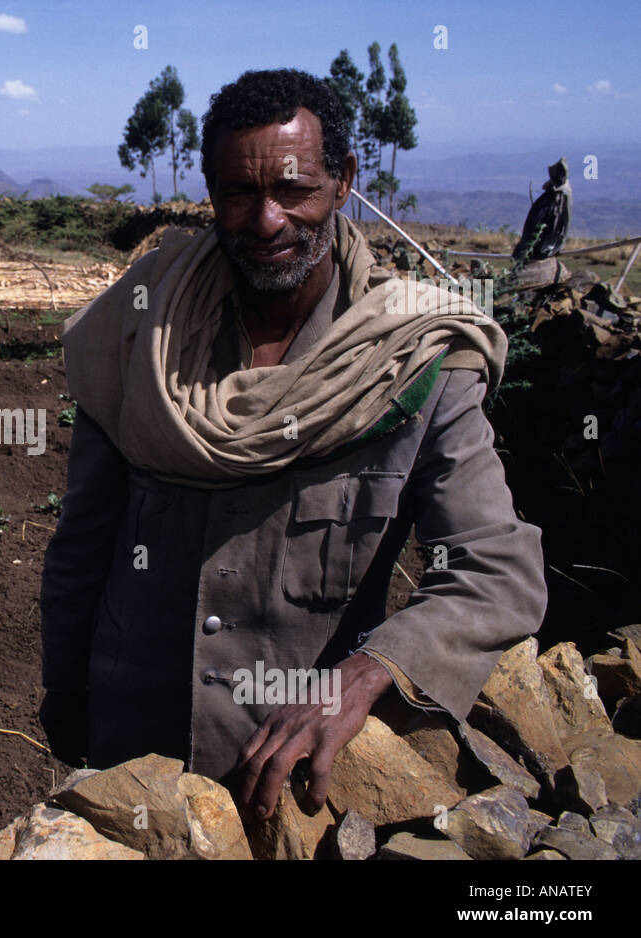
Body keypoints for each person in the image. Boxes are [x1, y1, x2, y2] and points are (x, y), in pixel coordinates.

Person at [38, 68, 547, 821]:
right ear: (211, 191)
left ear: (342, 181)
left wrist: (364, 677)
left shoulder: (411, 364)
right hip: (134, 763)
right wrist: (67, 692)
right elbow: (83, 542)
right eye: (239, 194)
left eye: (293, 189)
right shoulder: (139, 340)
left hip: (293, 782)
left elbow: (496, 570)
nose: (266, 220)